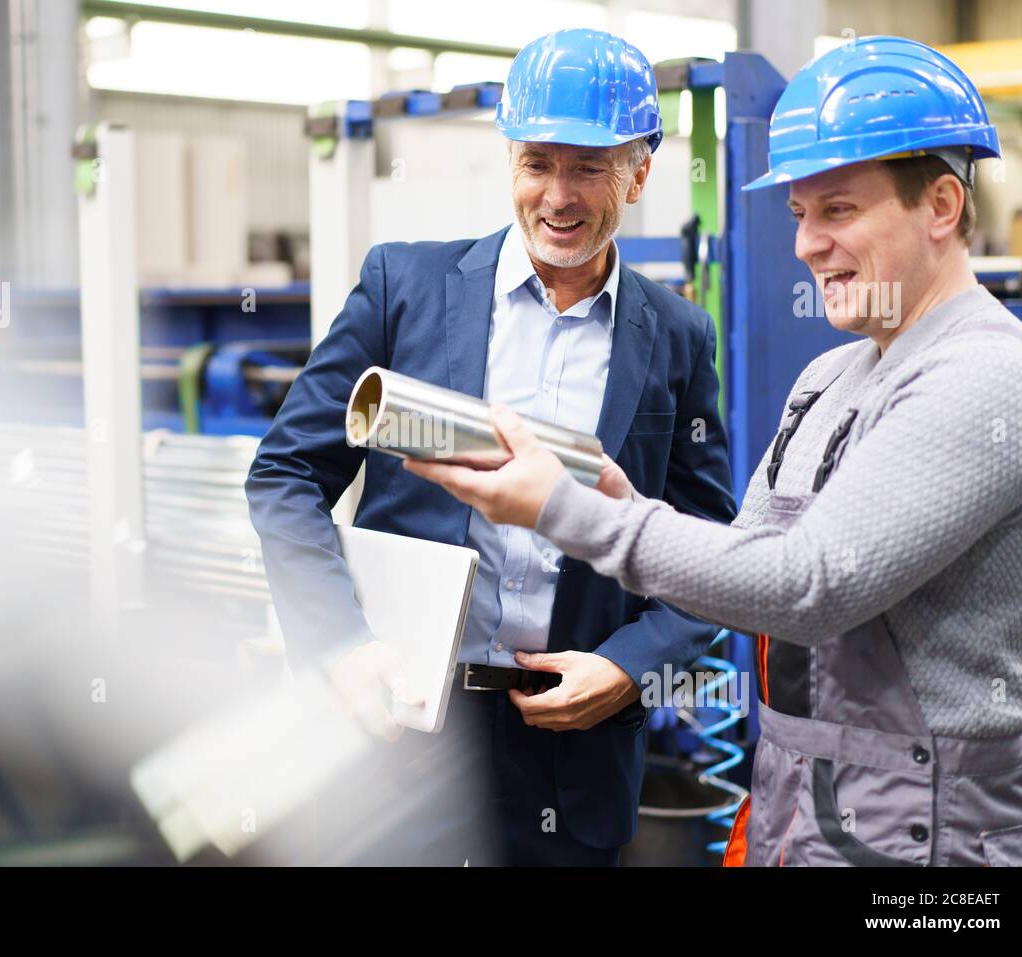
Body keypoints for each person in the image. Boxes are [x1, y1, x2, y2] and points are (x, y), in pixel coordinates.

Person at [406, 35, 1022, 867]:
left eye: (839, 210)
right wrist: (623, 505)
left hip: (934, 851)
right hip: (802, 820)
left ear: (940, 206)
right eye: (799, 214)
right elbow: (743, 562)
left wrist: (564, 511)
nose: (807, 245)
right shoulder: (828, 378)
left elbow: (807, 585)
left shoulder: (990, 378)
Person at [245, 29, 736, 865]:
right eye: (538, 161)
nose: (559, 194)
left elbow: (708, 547)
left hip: (573, 748)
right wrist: (339, 643)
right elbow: (286, 472)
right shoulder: (405, 288)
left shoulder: (679, 335)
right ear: (510, 156)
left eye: (590, 167)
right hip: (404, 728)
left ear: (642, 173)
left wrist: (627, 667)